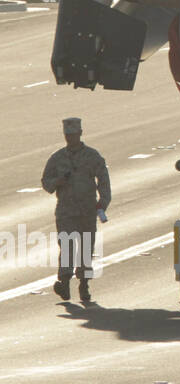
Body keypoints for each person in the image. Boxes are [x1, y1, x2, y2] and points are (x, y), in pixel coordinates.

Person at [41, 117, 110, 302]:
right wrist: (58, 181)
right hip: (66, 211)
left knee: (86, 248)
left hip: (87, 210)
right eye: (67, 135)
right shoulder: (57, 158)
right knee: (67, 247)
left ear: (80, 133)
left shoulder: (92, 156)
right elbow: (46, 182)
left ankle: (84, 285)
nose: (70, 138)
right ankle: (64, 283)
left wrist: (103, 202)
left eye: (73, 135)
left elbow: (103, 178)